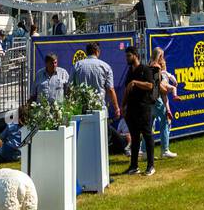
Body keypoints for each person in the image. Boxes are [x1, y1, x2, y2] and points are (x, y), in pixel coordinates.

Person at [123, 45, 157, 176]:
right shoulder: (129, 71)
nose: (127, 58)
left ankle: (151, 166)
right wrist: (123, 105)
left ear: (136, 55)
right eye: (126, 56)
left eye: (129, 56)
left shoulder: (145, 69)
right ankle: (134, 166)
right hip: (131, 109)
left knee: (147, 136)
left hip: (144, 108)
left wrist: (135, 83)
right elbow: (127, 89)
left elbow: (150, 85)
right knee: (135, 138)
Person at [72, 42, 121, 120]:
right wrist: (116, 108)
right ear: (96, 52)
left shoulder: (77, 65)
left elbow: (70, 88)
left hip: (81, 109)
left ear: (87, 52)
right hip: (99, 109)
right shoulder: (105, 67)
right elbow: (111, 90)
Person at [150, 47, 178, 159]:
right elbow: (157, 85)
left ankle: (144, 152)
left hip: (150, 99)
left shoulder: (149, 65)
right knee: (165, 122)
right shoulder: (156, 67)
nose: (163, 58)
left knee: (149, 126)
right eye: (162, 56)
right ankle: (165, 150)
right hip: (156, 98)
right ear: (159, 56)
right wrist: (165, 90)